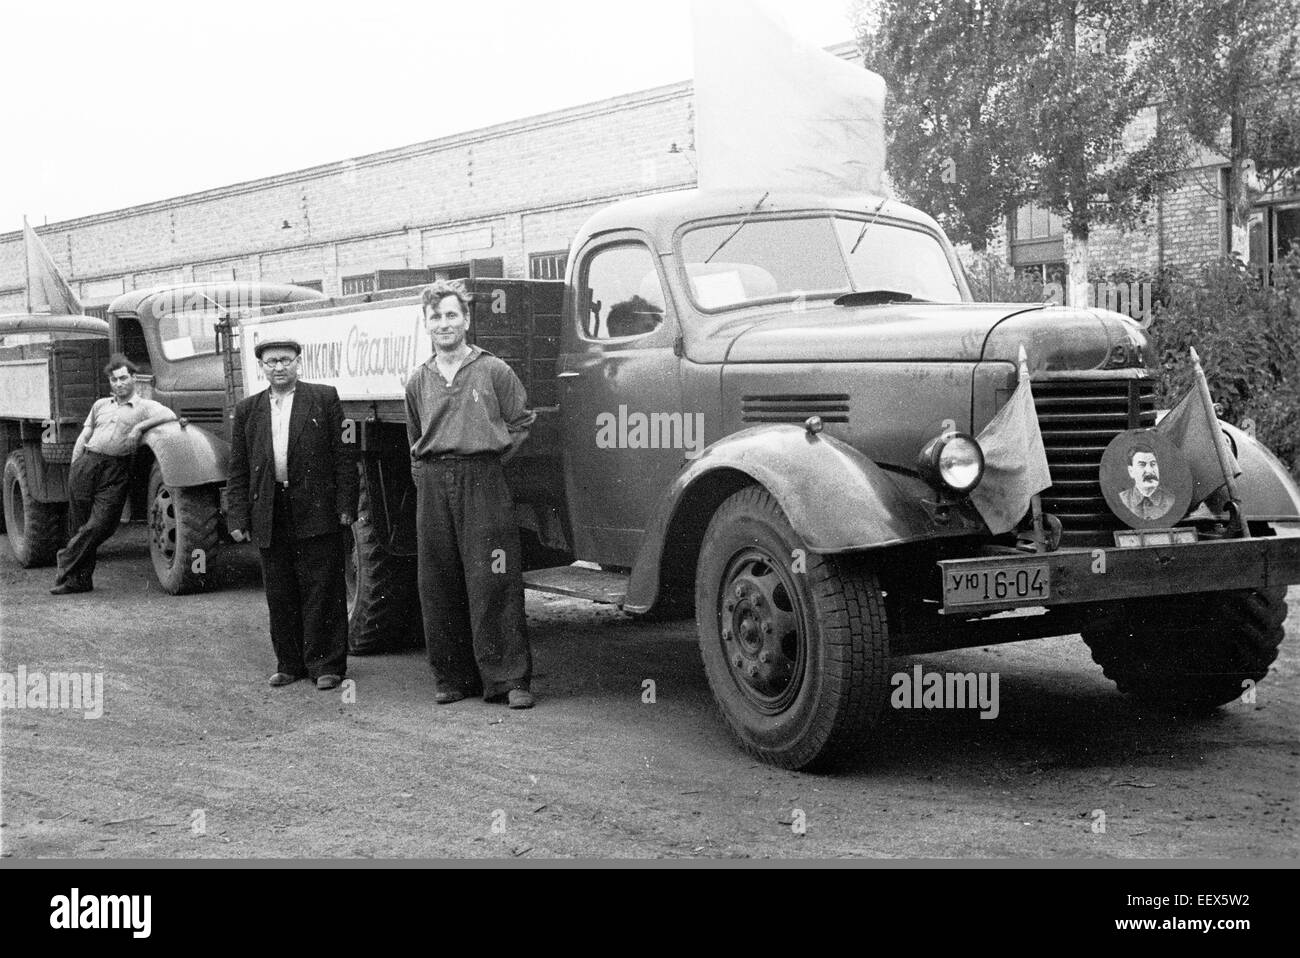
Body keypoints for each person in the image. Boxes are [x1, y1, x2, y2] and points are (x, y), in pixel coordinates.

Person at [405, 281, 537, 709]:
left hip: (483, 480)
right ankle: (451, 677)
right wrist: (428, 477)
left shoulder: (493, 370)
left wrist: (491, 463)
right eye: (435, 317)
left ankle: (508, 679)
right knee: (438, 580)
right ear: (426, 324)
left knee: (492, 577)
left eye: (451, 315)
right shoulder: (418, 380)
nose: (444, 324)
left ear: (466, 320)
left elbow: (521, 422)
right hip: (433, 483)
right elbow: (415, 436)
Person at [226, 338, 358, 690]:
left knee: (322, 586)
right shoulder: (248, 410)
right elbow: (238, 467)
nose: (278, 367)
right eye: (271, 362)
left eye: (285, 360)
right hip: (270, 508)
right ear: (262, 367)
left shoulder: (323, 398)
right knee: (280, 589)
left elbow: (343, 455)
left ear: (299, 362)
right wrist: (237, 517)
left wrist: (346, 506)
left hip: (316, 506)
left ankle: (326, 665)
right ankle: (289, 663)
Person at [52, 355, 177, 595]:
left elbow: (169, 415)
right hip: (86, 464)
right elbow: (85, 435)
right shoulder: (100, 405)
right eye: (113, 380)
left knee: (102, 525)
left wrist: (140, 427)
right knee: (79, 524)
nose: (118, 384)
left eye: (122, 378)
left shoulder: (144, 406)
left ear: (133, 378)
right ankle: (78, 581)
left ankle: (66, 557)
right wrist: (75, 465)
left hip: (115, 469)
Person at [1119, 442, 1174, 520]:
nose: (1149, 470)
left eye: (1153, 464)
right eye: (1142, 465)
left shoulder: (1170, 501)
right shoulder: (1122, 500)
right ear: (1131, 471)